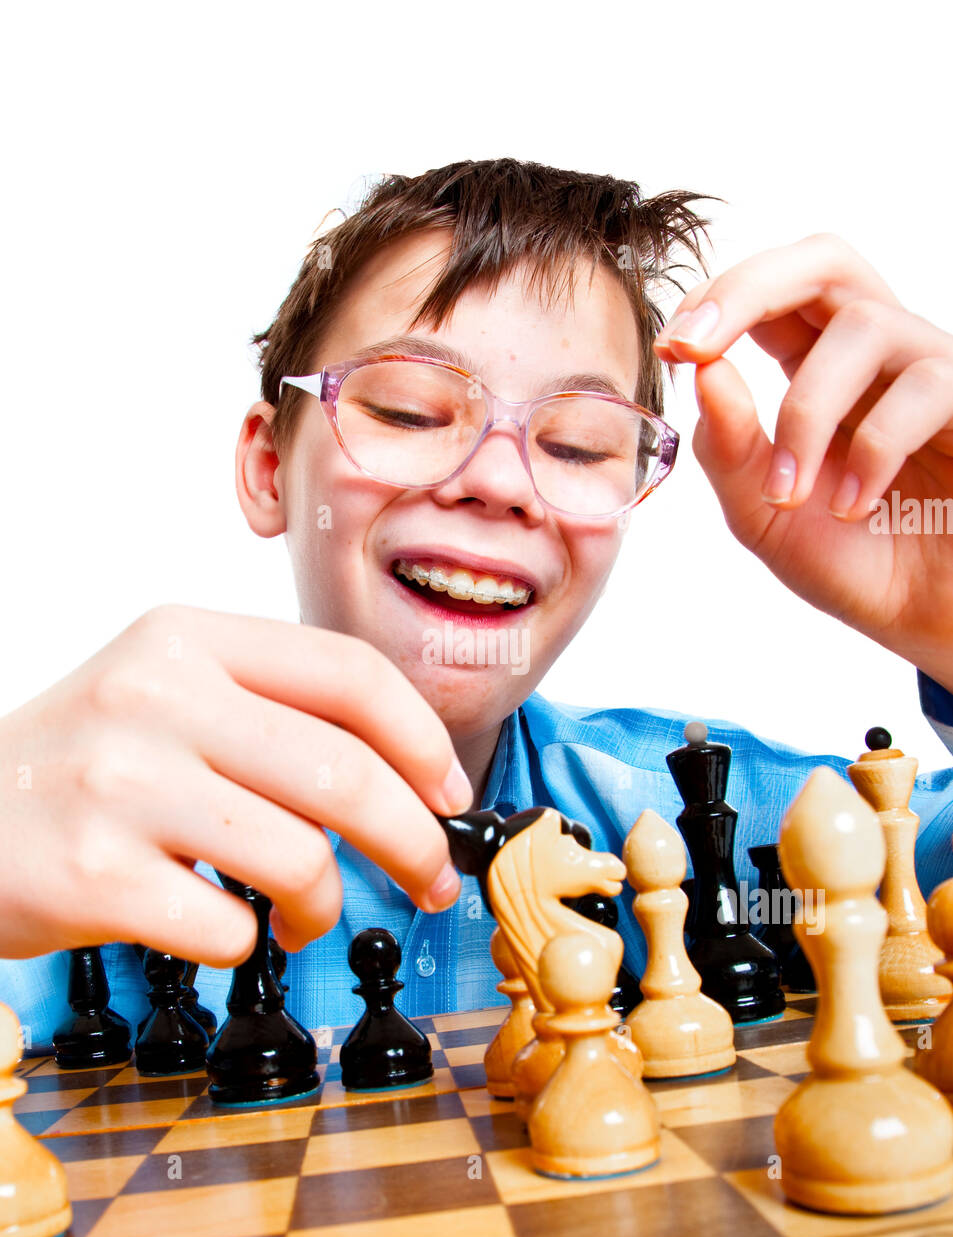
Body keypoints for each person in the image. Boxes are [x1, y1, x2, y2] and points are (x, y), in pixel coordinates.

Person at [3, 158, 953, 1048]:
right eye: (408, 411)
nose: (499, 479)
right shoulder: (54, 859)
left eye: (578, 442)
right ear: (267, 468)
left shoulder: (744, 834)